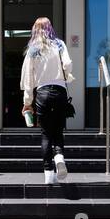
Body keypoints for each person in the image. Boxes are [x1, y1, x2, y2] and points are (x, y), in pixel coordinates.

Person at [20, 17, 73, 185]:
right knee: (58, 131)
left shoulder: (33, 49)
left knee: (45, 133)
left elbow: (28, 77)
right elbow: (68, 63)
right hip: (60, 92)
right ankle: (59, 158)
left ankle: (48, 174)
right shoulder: (59, 44)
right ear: (50, 28)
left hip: (42, 92)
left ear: (35, 29)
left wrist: (27, 101)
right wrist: (66, 74)